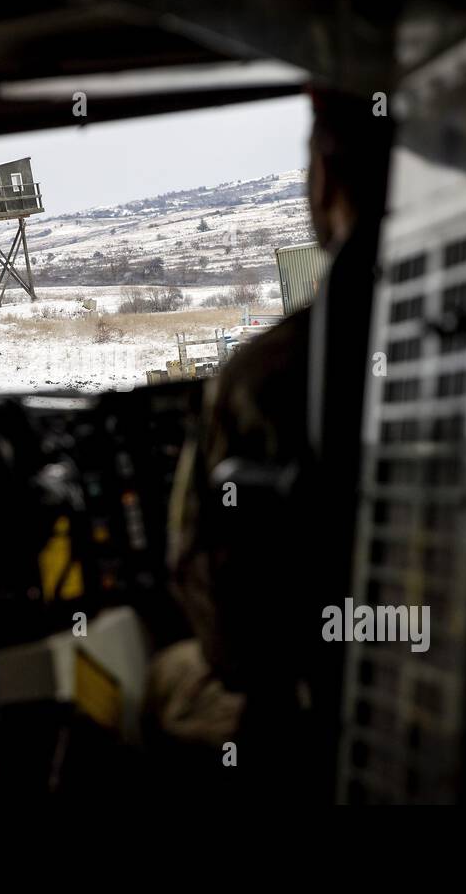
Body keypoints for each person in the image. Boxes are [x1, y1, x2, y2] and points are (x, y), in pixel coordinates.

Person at [155, 86, 393, 800]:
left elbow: (218, 619)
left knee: (158, 675)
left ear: (325, 178)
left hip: (314, 708)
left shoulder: (262, 377)